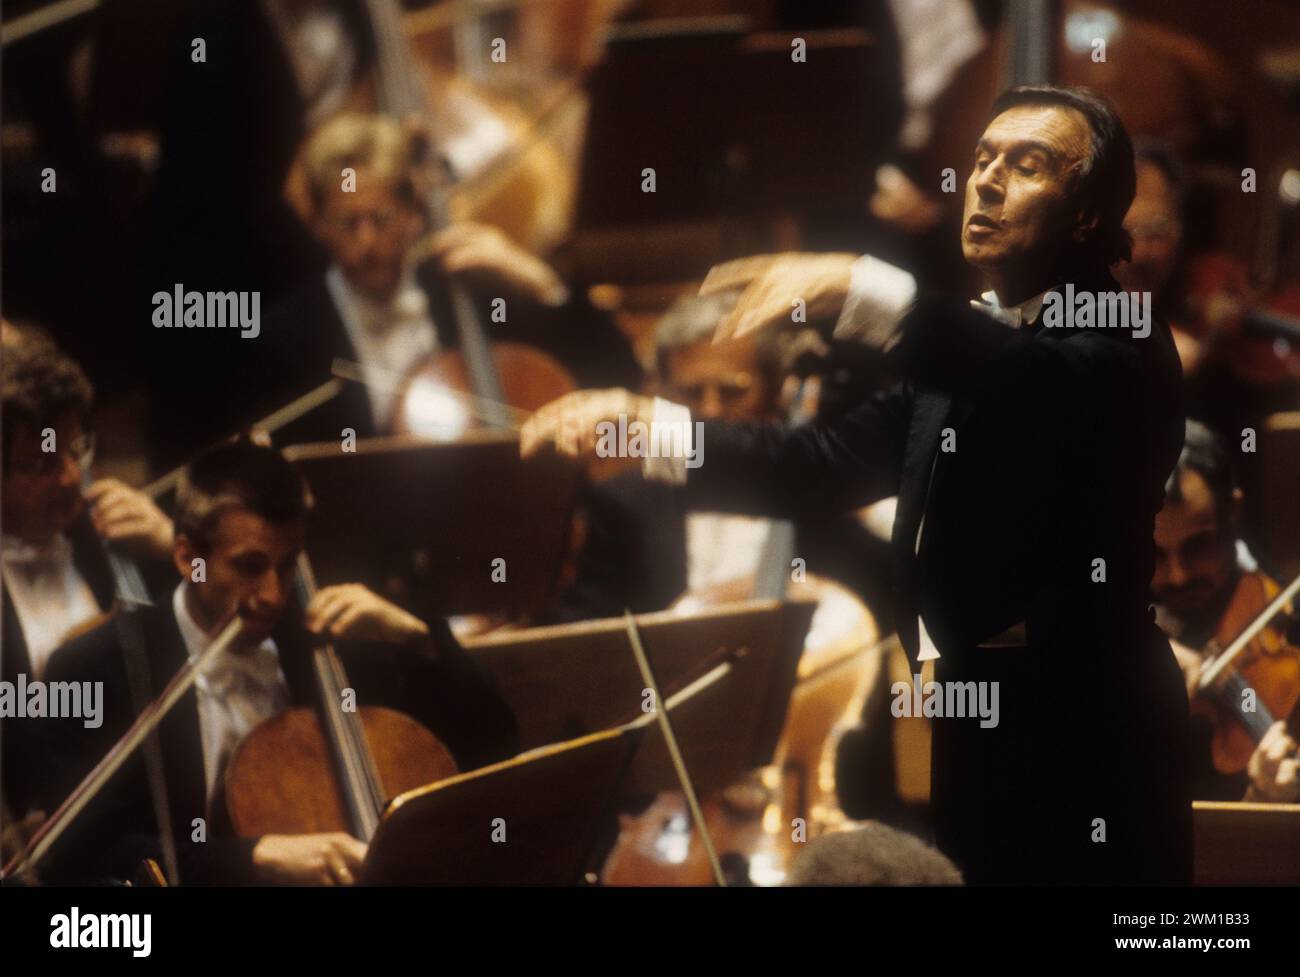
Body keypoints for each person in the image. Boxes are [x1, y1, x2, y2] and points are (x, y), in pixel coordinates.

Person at [522, 85, 1192, 884]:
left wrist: (862, 286)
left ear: (1087, 213)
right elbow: (811, 466)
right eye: (982, 159)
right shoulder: (955, 364)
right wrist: (645, 427)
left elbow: (1025, 377)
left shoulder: (1120, 341)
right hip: (976, 719)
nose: (987, 180)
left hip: (1097, 734)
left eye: (1029, 165)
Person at [40, 440, 518, 884]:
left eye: (287, 565)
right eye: (249, 566)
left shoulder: (329, 644)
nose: (272, 595)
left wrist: (415, 635)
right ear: (188, 557)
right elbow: (80, 853)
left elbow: (494, 738)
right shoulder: (98, 667)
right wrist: (258, 854)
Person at [257, 112, 640, 446]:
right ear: (319, 225)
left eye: (382, 219)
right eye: (347, 222)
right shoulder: (289, 333)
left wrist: (543, 284)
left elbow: (615, 370)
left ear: (413, 216)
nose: (366, 242)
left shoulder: (470, 291)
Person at [1, 331, 173, 828]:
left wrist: (173, 548)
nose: (72, 477)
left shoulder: (119, 534)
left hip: (147, 817)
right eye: (42, 463)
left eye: (79, 448)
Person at [1152, 420, 1298, 803]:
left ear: (1233, 513)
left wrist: (1263, 799)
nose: (1178, 576)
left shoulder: (1287, 619)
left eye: (1198, 546)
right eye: (1154, 555)